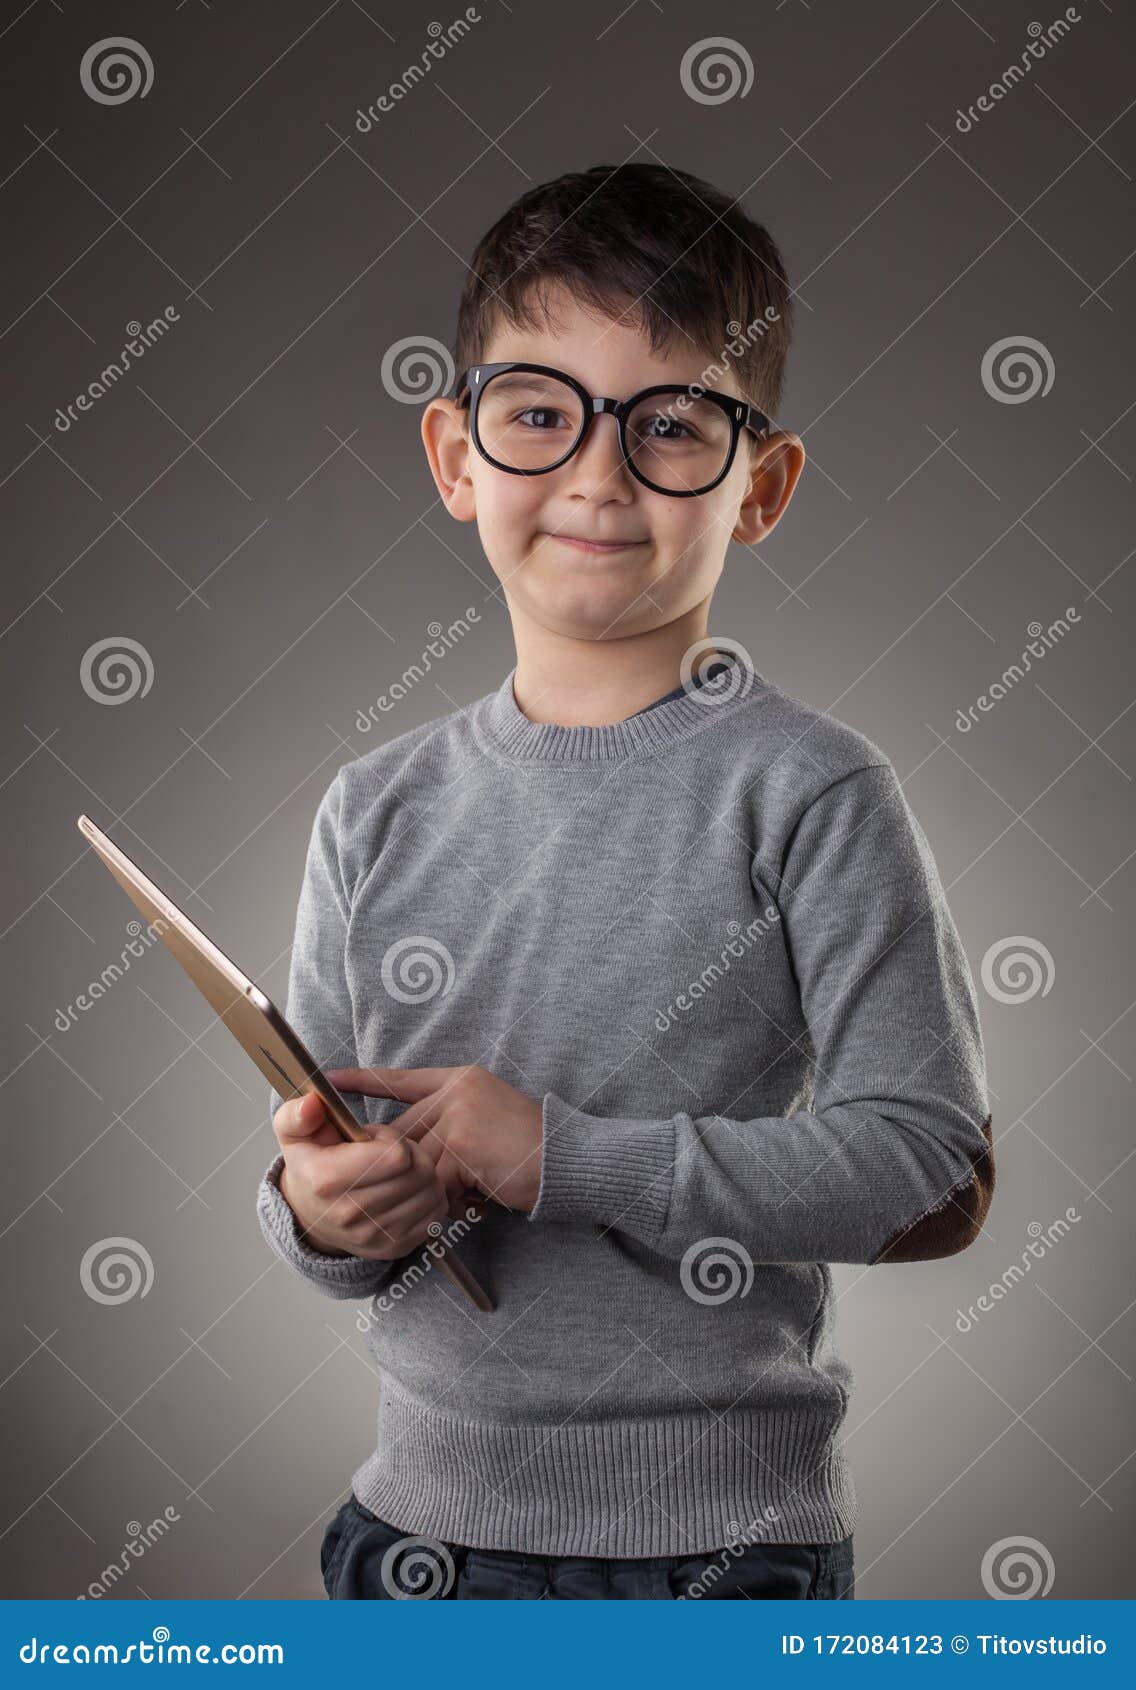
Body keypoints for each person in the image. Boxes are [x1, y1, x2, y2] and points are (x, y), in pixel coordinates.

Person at [256, 162, 994, 1601]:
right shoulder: (373, 811)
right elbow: (327, 1202)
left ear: (760, 486)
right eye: (539, 412)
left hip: (721, 1557)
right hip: (416, 1542)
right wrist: (317, 1209)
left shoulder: (812, 792)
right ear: (457, 455)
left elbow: (934, 1169)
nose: (597, 475)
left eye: (670, 426)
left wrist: (563, 1155)